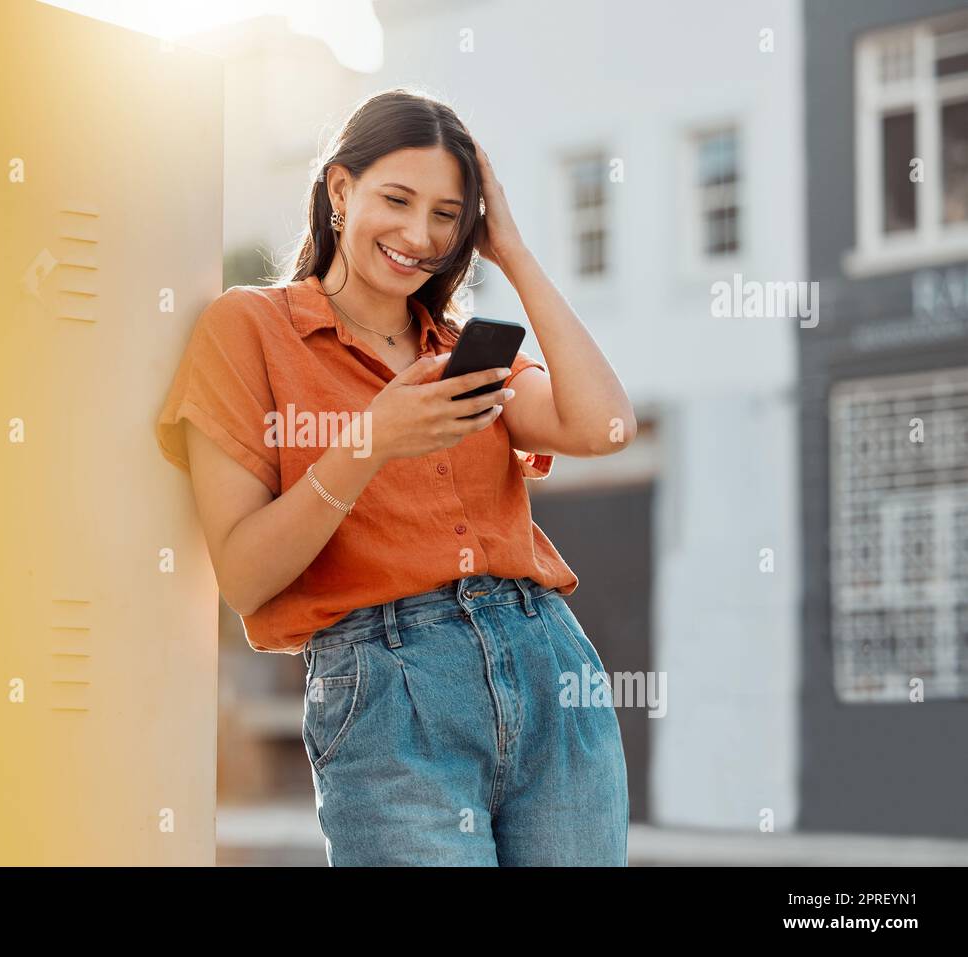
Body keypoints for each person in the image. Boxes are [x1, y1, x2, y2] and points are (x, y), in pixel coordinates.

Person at [157, 87, 636, 866]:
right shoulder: (246, 328)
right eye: (398, 199)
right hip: (385, 694)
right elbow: (244, 575)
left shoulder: (458, 352)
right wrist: (371, 441)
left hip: (546, 665)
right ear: (340, 190)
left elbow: (604, 423)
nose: (420, 235)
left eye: (448, 215)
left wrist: (511, 249)